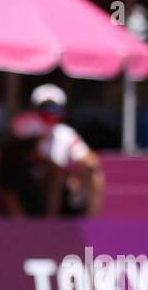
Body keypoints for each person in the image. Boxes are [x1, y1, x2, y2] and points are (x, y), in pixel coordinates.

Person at [25, 83, 104, 217]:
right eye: (45, 107)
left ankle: (91, 226)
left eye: (54, 108)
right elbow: (31, 157)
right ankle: (50, 227)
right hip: (31, 184)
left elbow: (89, 159)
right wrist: (67, 174)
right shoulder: (27, 129)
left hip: (62, 183)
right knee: (56, 176)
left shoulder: (65, 133)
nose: (49, 111)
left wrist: (83, 172)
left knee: (96, 177)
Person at [0, 111, 52, 218]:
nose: (39, 145)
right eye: (37, 140)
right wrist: (24, 226)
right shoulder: (11, 163)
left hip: (37, 224)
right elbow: (10, 197)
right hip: (23, 227)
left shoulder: (38, 162)